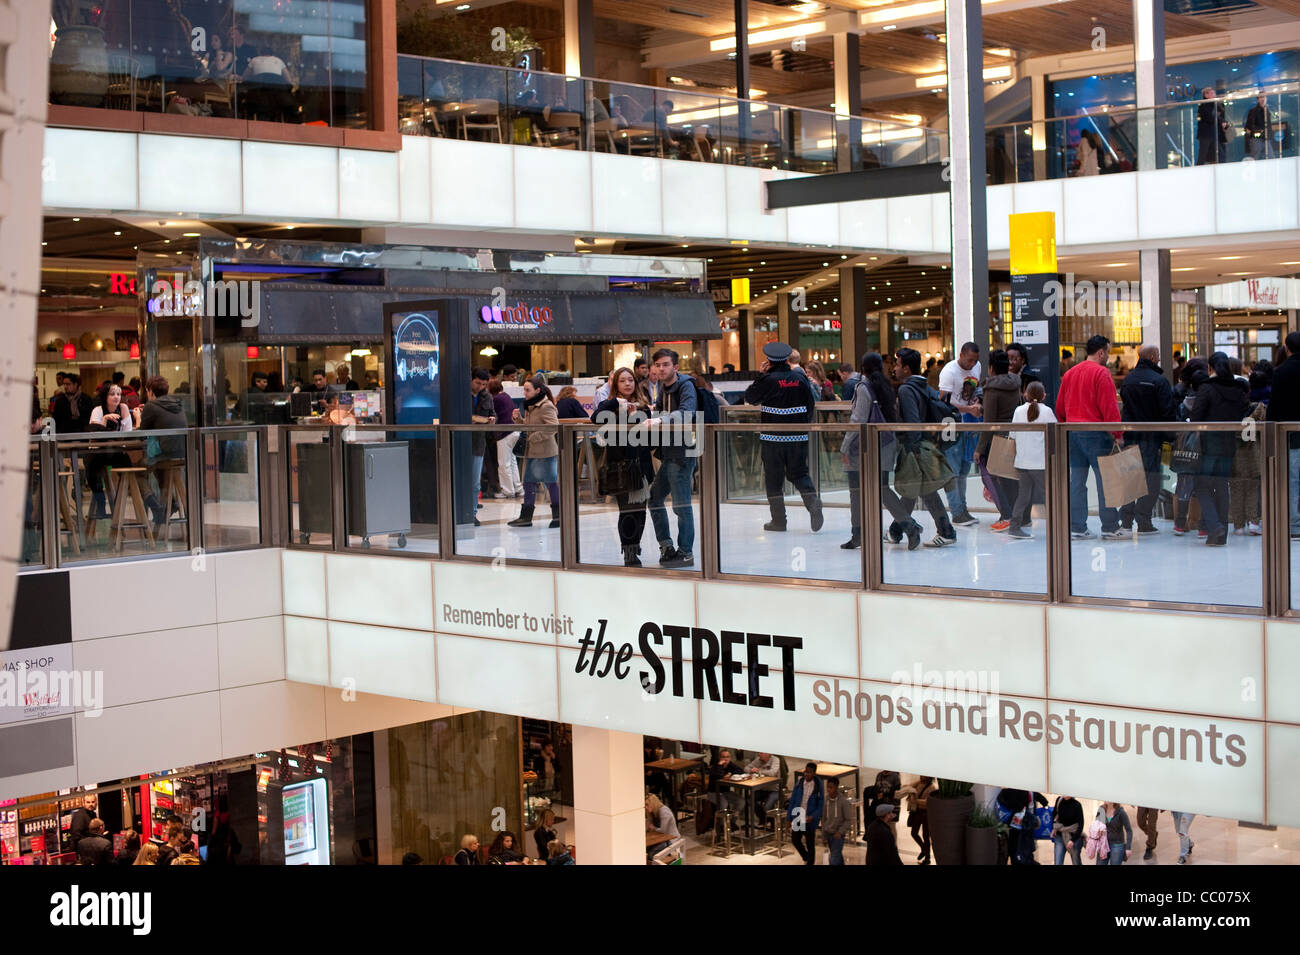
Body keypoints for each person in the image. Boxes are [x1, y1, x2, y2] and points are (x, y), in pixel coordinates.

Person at [743, 341, 824, 534]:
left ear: (769, 360)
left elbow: (750, 398)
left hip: (772, 438)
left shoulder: (768, 379)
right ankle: (813, 502)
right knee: (799, 473)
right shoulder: (800, 378)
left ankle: (779, 521)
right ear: (787, 359)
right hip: (798, 436)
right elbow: (810, 403)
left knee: (774, 480)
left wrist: (761, 375)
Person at [1057, 334, 1122, 540]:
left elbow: (1060, 407)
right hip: (1095, 433)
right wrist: (1117, 433)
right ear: (1101, 352)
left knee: (1077, 481)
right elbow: (1109, 407)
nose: (1108, 357)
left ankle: (1077, 526)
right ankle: (1110, 526)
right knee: (1105, 481)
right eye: (1108, 352)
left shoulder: (1070, 373)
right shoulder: (1101, 373)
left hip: (1072, 432)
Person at [894, 348, 958, 547]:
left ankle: (946, 531)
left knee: (918, 487)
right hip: (928, 443)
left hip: (915, 446)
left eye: (897, 365)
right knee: (920, 488)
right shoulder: (924, 385)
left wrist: (912, 447)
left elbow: (913, 420)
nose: (894, 368)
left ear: (906, 368)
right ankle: (897, 530)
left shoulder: (906, 389)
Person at [592, 367, 655, 566]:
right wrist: (615, 404)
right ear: (615, 384)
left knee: (640, 511)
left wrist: (641, 419)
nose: (627, 384)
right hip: (619, 466)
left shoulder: (643, 407)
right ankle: (629, 551)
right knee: (627, 510)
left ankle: (634, 546)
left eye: (630, 380)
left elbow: (649, 441)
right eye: (622, 380)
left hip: (641, 466)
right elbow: (596, 417)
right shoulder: (608, 406)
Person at [1189, 351, 1250, 547]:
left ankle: (1215, 527)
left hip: (1208, 444)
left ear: (1210, 368)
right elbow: (1243, 413)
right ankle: (1221, 532)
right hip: (1228, 444)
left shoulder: (1206, 388)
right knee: (1222, 486)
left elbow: (1196, 417)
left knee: (1202, 486)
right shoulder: (1237, 388)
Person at [646, 348, 698, 568]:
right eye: (657, 365)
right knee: (655, 499)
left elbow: (687, 412)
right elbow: (659, 412)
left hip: (683, 453)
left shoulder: (686, 385)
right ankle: (667, 546)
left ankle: (685, 551)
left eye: (665, 364)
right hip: (669, 453)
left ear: (675, 367)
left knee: (681, 505)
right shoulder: (662, 387)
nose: (661, 369)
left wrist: (661, 420)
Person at [1118, 344, 1176, 534]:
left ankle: (1125, 521)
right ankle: (1143, 520)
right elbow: (1167, 412)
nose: (1159, 358)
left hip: (1130, 436)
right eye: (1157, 355)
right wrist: (1169, 437)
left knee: (1130, 478)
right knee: (1151, 479)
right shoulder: (1159, 381)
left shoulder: (1128, 380)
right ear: (1152, 357)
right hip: (1152, 438)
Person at [973, 349, 1021, 531]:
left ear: (991, 368)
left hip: (995, 439)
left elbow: (989, 423)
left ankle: (1006, 515)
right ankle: (1016, 516)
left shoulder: (992, 389)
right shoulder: (1015, 383)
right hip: (1012, 434)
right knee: (1009, 478)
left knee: (989, 476)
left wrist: (979, 448)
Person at [937, 341, 982, 526]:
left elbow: (975, 390)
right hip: (949, 422)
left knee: (963, 468)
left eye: (975, 361)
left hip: (967, 422)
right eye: (969, 360)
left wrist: (977, 403)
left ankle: (962, 509)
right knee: (953, 469)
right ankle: (957, 511)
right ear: (961, 355)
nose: (972, 364)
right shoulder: (949, 372)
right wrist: (967, 409)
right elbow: (942, 401)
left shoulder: (977, 366)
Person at [508, 375, 560, 529]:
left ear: (537, 390)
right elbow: (530, 427)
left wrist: (534, 437)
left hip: (546, 452)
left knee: (550, 483)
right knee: (529, 483)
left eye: (527, 390)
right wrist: (518, 420)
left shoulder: (546, 406)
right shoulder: (531, 406)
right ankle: (526, 517)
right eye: (524, 389)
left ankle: (558, 516)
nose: (524, 392)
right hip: (533, 451)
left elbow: (553, 426)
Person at [1007, 381, 1056, 539]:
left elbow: (1012, 435)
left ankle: (1014, 527)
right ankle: (1055, 526)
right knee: (1049, 495)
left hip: (1022, 461)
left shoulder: (1018, 411)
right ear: (1043, 396)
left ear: (1025, 395)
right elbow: (1054, 435)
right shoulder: (1047, 411)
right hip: (1040, 462)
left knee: (1023, 495)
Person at [83, 383, 135, 519]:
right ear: (105, 396)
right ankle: (101, 504)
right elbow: (94, 434)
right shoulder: (98, 410)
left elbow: (127, 434)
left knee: (127, 466)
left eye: (118, 394)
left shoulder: (123, 408)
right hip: (98, 452)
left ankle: (118, 506)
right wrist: (105, 419)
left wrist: (125, 414)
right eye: (112, 394)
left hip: (115, 451)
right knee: (92, 469)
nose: (116, 397)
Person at [1267, 331, 1300, 539]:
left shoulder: (1282, 371)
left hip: (1291, 434)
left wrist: (1271, 427)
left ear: (1287, 348)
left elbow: (1275, 404)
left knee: (1293, 479)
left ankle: (1295, 525)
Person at [467, 368, 496, 525]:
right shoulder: (462, 394)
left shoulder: (487, 396)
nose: (480, 387)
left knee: (475, 482)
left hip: (478, 443)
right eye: (478, 383)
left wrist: (492, 419)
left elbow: (493, 414)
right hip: (461, 441)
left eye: (483, 384)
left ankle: (472, 513)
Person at [997, 787, 1047, 865]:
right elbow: (1008, 796)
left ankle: (1028, 859)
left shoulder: (1027, 785)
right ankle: (1017, 860)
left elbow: (1033, 793)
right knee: (1017, 841)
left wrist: (1043, 800)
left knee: (1028, 840)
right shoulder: (1014, 786)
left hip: (1027, 818)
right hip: (1018, 818)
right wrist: (1020, 808)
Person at [786, 762, 823, 865]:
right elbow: (793, 800)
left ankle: (810, 862)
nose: (806, 774)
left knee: (810, 843)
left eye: (809, 772)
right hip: (799, 815)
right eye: (806, 772)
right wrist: (789, 818)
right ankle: (806, 857)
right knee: (795, 840)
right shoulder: (799, 783)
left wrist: (814, 816)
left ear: (814, 774)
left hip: (809, 818)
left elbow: (820, 804)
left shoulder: (818, 786)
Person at [491, 376, 522, 499]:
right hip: (514, 431)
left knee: (504, 463)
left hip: (505, 432)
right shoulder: (506, 396)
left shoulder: (496, 399)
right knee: (512, 462)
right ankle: (518, 488)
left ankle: (508, 490)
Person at [898, 775, 934, 864]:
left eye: (923, 775)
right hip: (917, 812)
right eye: (920, 774)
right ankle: (924, 849)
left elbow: (928, 802)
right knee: (914, 833)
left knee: (926, 836)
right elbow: (907, 787)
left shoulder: (932, 788)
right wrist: (918, 781)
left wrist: (915, 801)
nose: (921, 776)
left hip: (926, 814)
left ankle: (927, 858)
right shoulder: (919, 784)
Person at [821, 778, 854, 865]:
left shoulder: (843, 802)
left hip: (838, 836)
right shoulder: (825, 800)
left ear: (836, 787)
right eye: (827, 787)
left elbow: (848, 820)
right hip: (828, 833)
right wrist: (823, 836)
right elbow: (823, 819)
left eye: (831, 787)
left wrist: (840, 832)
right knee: (837, 857)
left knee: (834, 859)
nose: (828, 789)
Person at [744, 752, 781, 822]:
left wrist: (759, 771)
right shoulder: (758, 760)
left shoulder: (775, 759)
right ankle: (764, 819)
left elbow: (773, 772)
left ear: (768, 754)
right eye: (759, 752)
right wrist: (751, 770)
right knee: (749, 800)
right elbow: (746, 768)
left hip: (774, 790)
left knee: (767, 807)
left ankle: (772, 824)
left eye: (761, 753)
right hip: (762, 789)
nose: (759, 754)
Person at [1196, 87, 1227, 165]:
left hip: (1214, 134)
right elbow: (1210, 117)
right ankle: (1198, 170)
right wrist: (1220, 120)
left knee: (1220, 155)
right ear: (1206, 95)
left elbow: (1218, 117)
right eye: (1212, 93)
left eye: (1214, 93)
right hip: (1206, 134)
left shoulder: (1216, 105)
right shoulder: (1203, 106)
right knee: (1203, 154)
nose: (1214, 95)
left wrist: (1222, 122)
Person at [1051, 795, 1085, 865]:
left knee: (1076, 862)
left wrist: (1072, 840)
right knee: (1058, 863)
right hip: (1060, 837)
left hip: (1073, 837)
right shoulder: (1059, 800)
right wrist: (1054, 828)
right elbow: (1055, 815)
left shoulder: (1077, 805)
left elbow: (1080, 825)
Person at [1244, 94, 1273, 160]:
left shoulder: (1267, 110)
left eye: (1264, 97)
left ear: (1266, 98)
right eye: (1261, 97)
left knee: (1270, 157)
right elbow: (1249, 126)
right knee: (1255, 157)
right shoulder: (1253, 111)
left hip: (1266, 138)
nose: (1263, 99)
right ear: (1258, 99)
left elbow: (1268, 125)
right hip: (1257, 138)